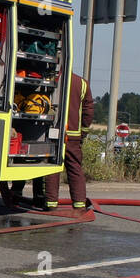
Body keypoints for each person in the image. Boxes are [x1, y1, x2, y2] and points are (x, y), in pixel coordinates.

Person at [38, 72, 95, 211]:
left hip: (53, 132)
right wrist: (84, 132)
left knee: (52, 166)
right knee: (75, 168)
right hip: (73, 135)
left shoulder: (49, 79)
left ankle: (51, 203)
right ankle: (79, 204)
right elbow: (88, 111)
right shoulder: (82, 83)